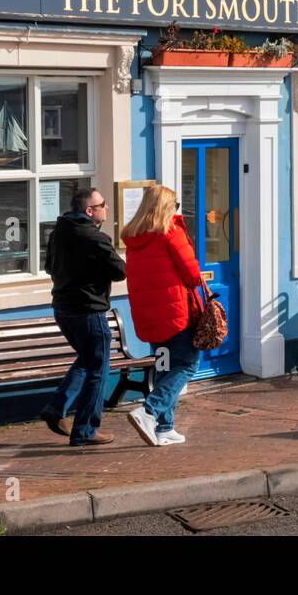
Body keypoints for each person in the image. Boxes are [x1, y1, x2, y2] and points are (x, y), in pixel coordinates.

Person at [42, 186, 127, 447]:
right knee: (98, 369)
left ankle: (57, 407)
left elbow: (49, 267)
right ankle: (86, 430)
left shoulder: (58, 233)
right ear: (89, 211)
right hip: (89, 311)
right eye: (102, 205)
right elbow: (120, 271)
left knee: (89, 360)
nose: (107, 208)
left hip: (63, 309)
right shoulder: (94, 237)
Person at [121, 185, 205, 447]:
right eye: (175, 206)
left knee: (164, 366)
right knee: (188, 364)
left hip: (149, 316)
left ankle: (164, 427)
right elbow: (192, 273)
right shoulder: (170, 232)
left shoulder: (133, 238)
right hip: (175, 313)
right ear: (166, 207)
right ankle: (148, 411)